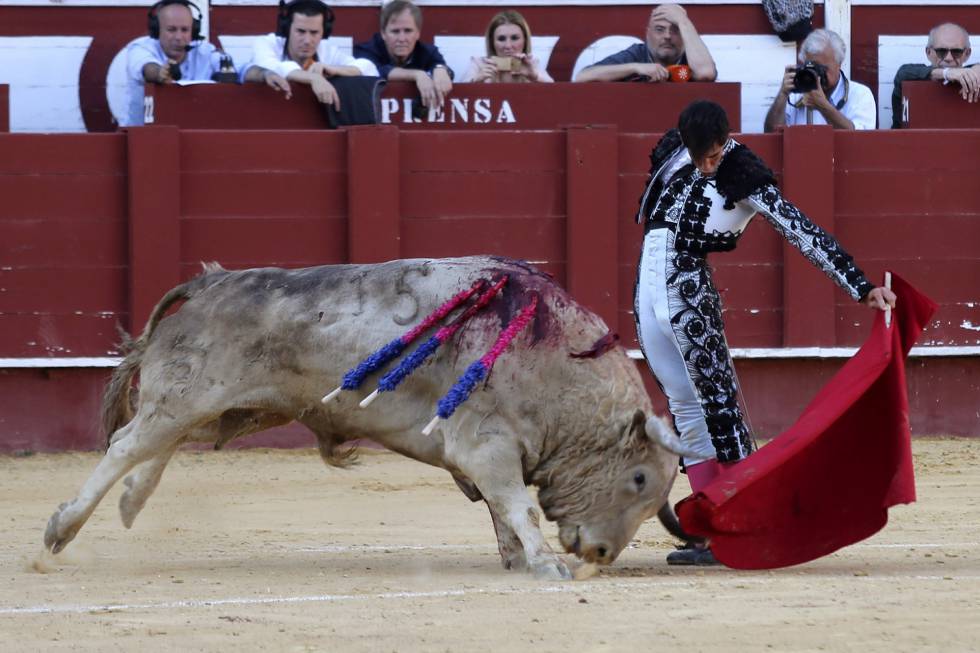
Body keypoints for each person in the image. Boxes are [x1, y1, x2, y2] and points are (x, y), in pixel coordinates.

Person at [633, 100, 895, 565]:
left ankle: (743, 527)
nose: (706, 165)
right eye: (699, 156)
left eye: (712, 155)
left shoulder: (744, 172)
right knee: (684, 408)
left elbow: (801, 231)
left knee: (722, 409)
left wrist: (860, 286)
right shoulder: (676, 149)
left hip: (688, 290)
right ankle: (708, 530)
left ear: (726, 139)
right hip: (646, 290)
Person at [242, 0, 378, 110]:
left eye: (314, 33)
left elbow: (369, 68)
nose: (307, 40)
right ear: (286, 28)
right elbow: (270, 66)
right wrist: (314, 78)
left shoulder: (328, 50)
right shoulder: (266, 43)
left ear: (324, 33)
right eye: (300, 31)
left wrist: (334, 69)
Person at [124, 0, 230, 127]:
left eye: (185, 30)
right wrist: (160, 73)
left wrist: (233, 71)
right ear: (157, 30)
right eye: (171, 30)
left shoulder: (206, 52)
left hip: (195, 136)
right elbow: (147, 68)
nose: (178, 37)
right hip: (142, 138)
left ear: (194, 31)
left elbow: (237, 71)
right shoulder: (140, 48)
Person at [764, 28, 876, 132]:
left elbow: (859, 140)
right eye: (812, 68)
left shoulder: (860, 95)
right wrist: (783, 94)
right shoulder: (795, 94)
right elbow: (771, 136)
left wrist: (823, 106)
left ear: (839, 64)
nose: (817, 75)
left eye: (822, 69)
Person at [574, 4, 716, 83]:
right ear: (647, 34)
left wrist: (683, 21)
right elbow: (583, 77)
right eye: (660, 29)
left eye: (676, 30)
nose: (667, 36)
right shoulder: (636, 54)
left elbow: (706, 73)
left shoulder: (693, 58)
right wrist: (635, 67)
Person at [353, 0, 453, 109]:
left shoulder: (427, 52)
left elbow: (441, 67)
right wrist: (418, 75)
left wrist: (440, 69)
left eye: (408, 31)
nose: (402, 39)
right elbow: (374, 70)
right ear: (383, 33)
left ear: (418, 33)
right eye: (395, 31)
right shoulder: (366, 50)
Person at [891, 22, 980, 129]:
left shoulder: (974, 74)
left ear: (967, 53)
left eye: (956, 52)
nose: (948, 58)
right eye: (941, 51)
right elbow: (903, 73)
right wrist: (946, 73)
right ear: (928, 52)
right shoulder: (910, 74)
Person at [459, 10, 553, 83]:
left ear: (525, 40)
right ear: (492, 42)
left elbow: (556, 94)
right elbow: (457, 95)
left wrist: (535, 77)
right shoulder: (479, 64)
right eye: (501, 39)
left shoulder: (531, 65)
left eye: (515, 38)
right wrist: (476, 80)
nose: (508, 46)